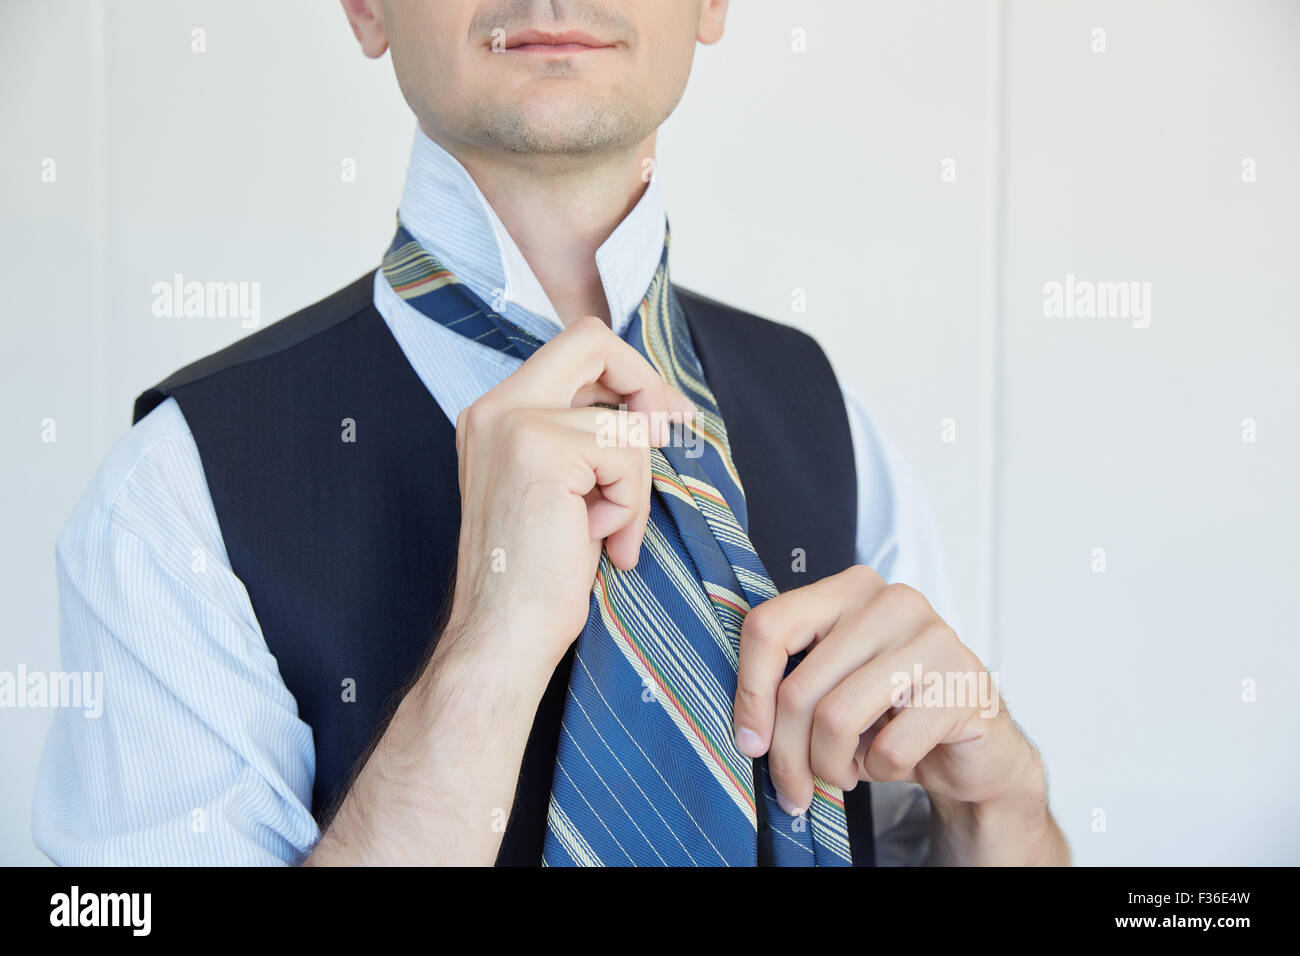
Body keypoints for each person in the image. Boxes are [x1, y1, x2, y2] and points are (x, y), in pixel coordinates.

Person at [33, 0, 1068, 866]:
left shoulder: (831, 423)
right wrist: (480, 663)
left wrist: (1007, 813)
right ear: (363, 4)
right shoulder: (175, 498)